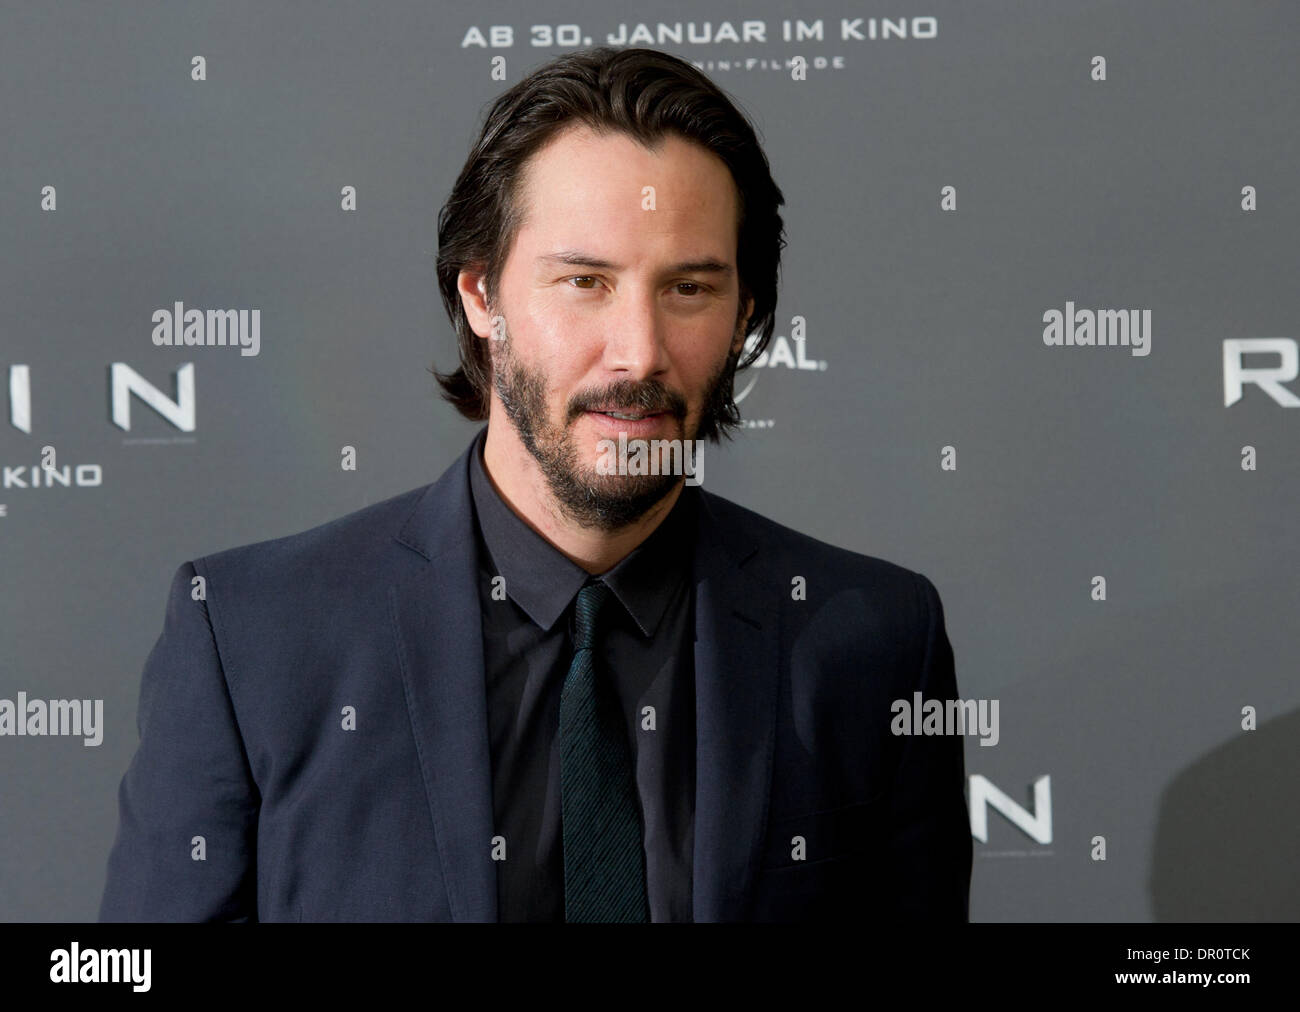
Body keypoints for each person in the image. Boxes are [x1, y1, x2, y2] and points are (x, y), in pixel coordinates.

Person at [99, 46, 971, 923]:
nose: (639, 351)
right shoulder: (254, 643)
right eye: (585, 283)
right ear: (482, 296)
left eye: (690, 288)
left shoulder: (872, 645)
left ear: (746, 313)